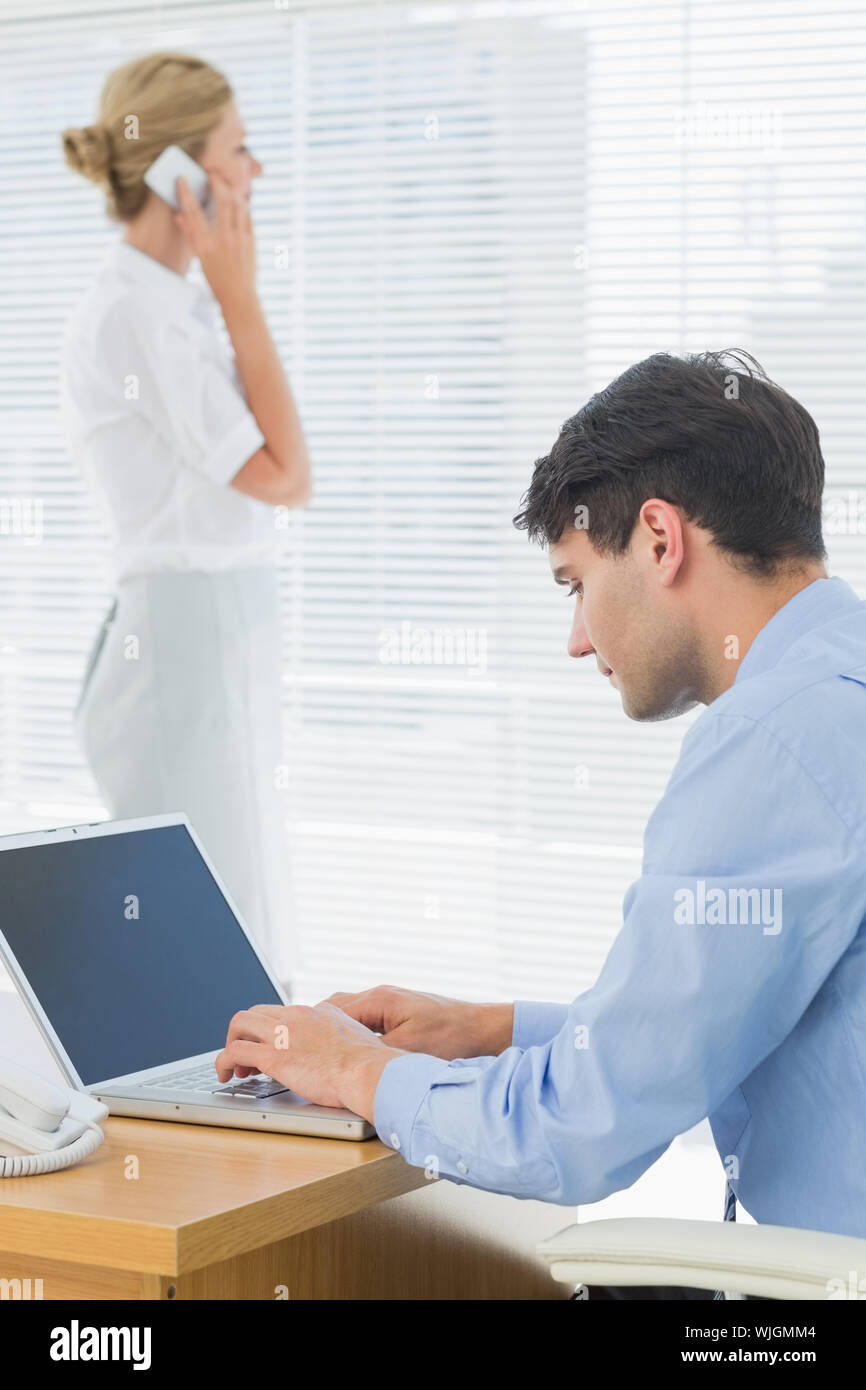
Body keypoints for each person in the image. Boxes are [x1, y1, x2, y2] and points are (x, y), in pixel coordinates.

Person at [212, 349, 866, 1298]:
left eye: (574, 584)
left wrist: (358, 1072)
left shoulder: (771, 741)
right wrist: (489, 1029)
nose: (576, 637)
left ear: (658, 539)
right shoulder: (836, 691)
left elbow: (584, 1130)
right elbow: (758, 1028)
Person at [60, 53, 310, 989]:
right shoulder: (139, 317)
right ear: (180, 177)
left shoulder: (171, 307)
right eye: (238, 150)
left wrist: (227, 295)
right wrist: (240, 291)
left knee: (242, 906)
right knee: (212, 937)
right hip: (183, 632)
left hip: (213, 623)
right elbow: (286, 475)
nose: (257, 172)